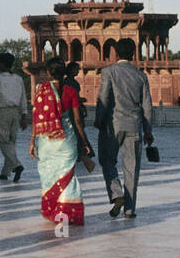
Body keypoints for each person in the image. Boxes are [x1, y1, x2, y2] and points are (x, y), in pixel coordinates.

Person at [96, 38, 155, 219]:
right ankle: (130, 210)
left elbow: (104, 99)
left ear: (116, 53)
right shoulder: (140, 75)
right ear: (133, 54)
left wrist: (99, 120)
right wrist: (148, 131)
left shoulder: (109, 72)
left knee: (107, 160)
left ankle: (116, 193)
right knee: (132, 168)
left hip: (112, 126)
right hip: (134, 125)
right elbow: (147, 106)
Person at [28, 56, 89, 225]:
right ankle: (66, 212)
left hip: (46, 140)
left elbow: (36, 117)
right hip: (66, 139)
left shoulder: (42, 90)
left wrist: (32, 141)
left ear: (48, 72)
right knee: (67, 176)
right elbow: (77, 121)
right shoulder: (71, 91)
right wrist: (84, 142)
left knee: (49, 175)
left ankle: (53, 210)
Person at [0, 51, 29, 182]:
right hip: (16, 112)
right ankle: (5, 172)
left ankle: (17, 165)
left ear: (1, 64)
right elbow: (23, 98)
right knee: (11, 143)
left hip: (2, 112)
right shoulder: (18, 78)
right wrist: (24, 115)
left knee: (4, 141)